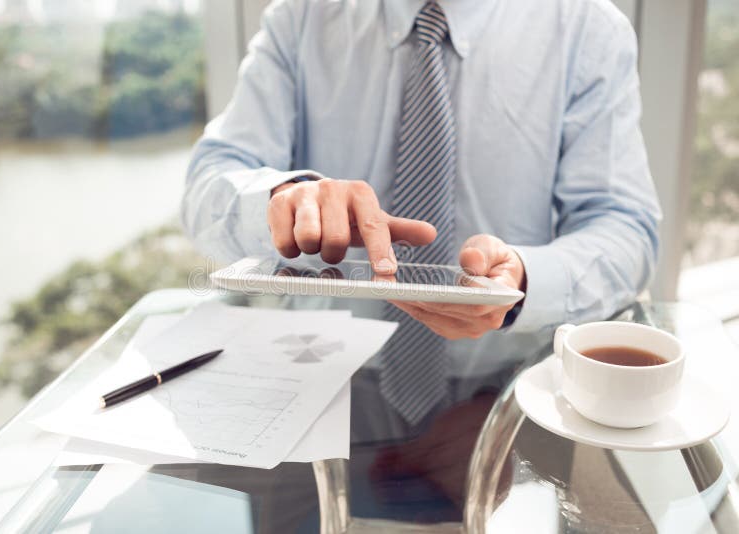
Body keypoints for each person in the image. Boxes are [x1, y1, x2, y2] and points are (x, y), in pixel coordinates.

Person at [182, 0, 661, 427]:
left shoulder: (587, 28)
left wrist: (525, 281)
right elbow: (206, 186)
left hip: (511, 398)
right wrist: (278, 198)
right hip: (310, 380)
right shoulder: (300, 16)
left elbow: (625, 227)